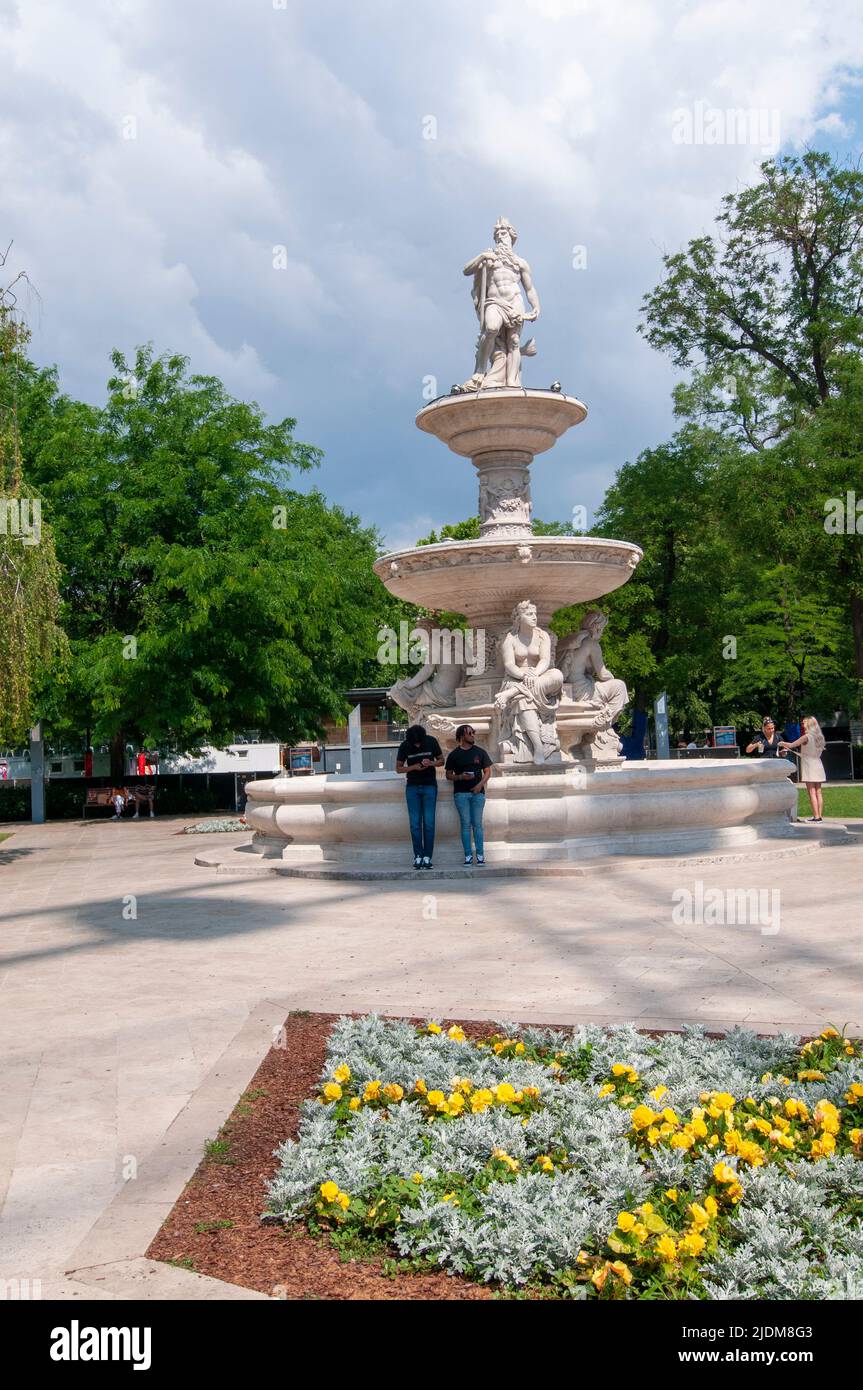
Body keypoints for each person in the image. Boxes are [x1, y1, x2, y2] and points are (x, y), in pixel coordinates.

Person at [396, 724, 444, 869]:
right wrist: (413, 767)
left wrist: (431, 763)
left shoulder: (431, 741)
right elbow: (398, 768)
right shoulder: (405, 745)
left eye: (419, 742)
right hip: (412, 787)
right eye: (414, 743)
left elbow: (442, 760)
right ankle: (418, 855)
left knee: (429, 823)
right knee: (415, 824)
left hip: (430, 785)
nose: (417, 744)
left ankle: (427, 856)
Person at [445, 725, 492, 866]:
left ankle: (480, 855)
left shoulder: (480, 752)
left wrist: (480, 785)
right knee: (465, 824)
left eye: (473, 732)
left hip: (478, 793)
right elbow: (448, 775)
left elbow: (488, 772)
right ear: (461, 736)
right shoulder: (453, 755)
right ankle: (468, 856)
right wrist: (460, 777)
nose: (473, 735)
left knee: (477, 824)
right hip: (461, 794)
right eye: (470, 733)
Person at [780, 716, 827, 821]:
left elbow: (791, 744)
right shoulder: (820, 737)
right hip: (818, 763)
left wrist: (781, 743)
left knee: (811, 791)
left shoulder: (807, 737)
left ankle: (816, 817)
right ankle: (819, 816)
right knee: (818, 791)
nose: (802, 725)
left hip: (809, 765)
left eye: (804, 723)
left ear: (808, 725)